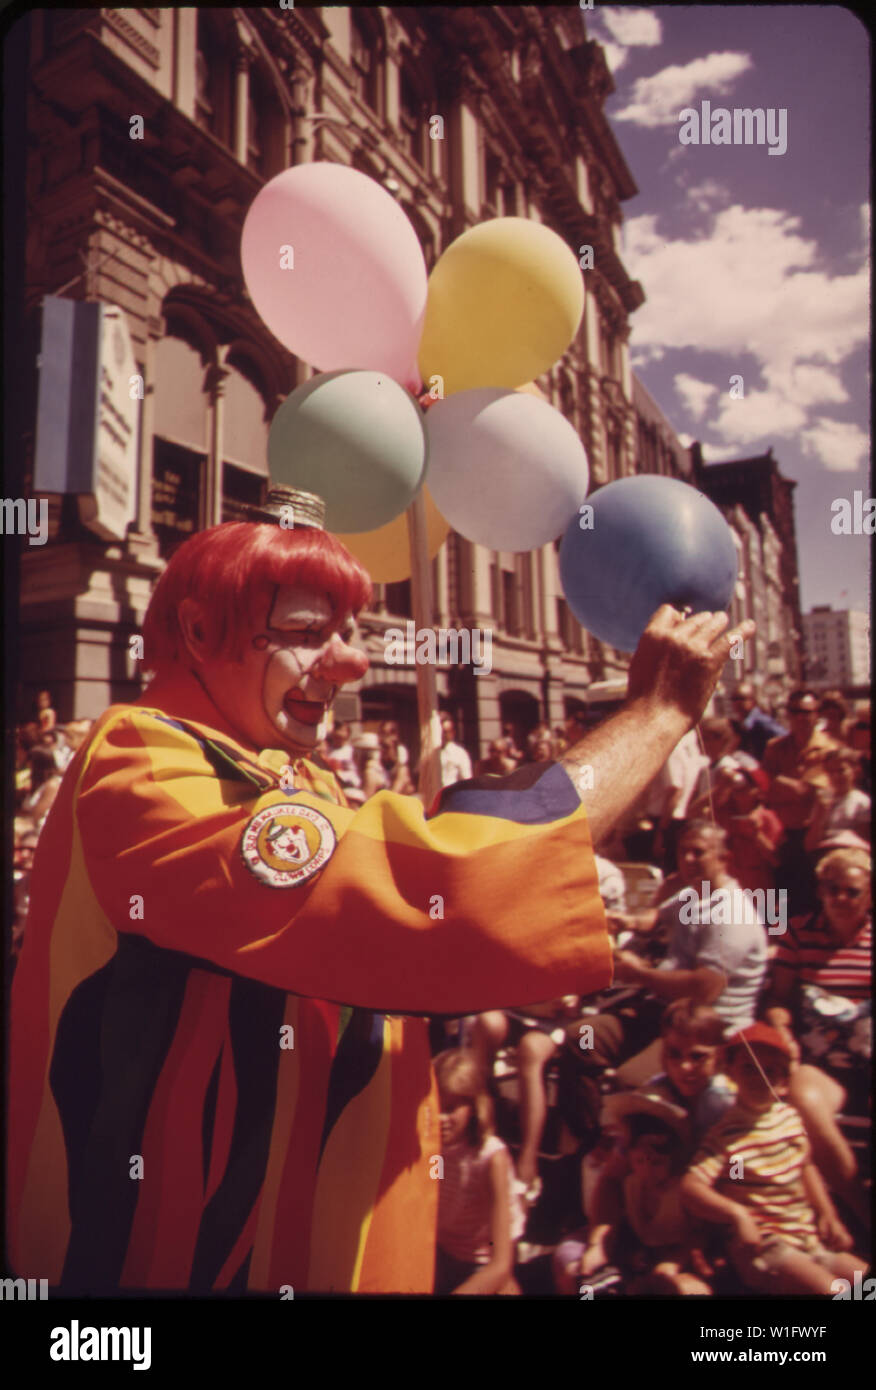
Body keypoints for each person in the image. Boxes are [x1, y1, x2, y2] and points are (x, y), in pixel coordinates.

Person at [8, 508, 753, 1294]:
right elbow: (439, 892)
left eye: (350, 632)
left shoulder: (300, 774)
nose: (351, 663)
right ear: (197, 631)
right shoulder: (143, 760)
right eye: (306, 632)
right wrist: (657, 716)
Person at [681, 1024, 863, 1295]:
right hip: (766, 1246)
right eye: (749, 1068)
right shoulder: (727, 1135)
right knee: (834, 1291)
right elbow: (691, 1187)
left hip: (807, 1239)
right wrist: (737, 1214)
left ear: (784, 1080)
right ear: (730, 1071)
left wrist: (828, 1213)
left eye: (770, 1071)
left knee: (865, 1283)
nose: (759, 1078)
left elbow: (804, 1165)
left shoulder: (789, 1118)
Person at [588, 822, 769, 1088]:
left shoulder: (731, 914)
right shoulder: (694, 894)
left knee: (630, 1080)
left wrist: (640, 974)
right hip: (666, 1012)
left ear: (724, 859)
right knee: (581, 1039)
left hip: (706, 1030)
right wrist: (626, 922)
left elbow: (703, 988)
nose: (687, 859)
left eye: (698, 853)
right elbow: (657, 917)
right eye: (683, 852)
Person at [761, 848, 871, 1227]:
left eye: (852, 891)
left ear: (869, 895)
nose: (840, 898)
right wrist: (781, 1029)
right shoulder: (798, 933)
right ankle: (862, 1209)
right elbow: (777, 1001)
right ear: (820, 891)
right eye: (832, 889)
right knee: (804, 1097)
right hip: (821, 1064)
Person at [433, 1050, 524, 1294]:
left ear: (472, 1107)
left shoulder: (489, 1158)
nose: (441, 1117)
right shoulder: (430, 1150)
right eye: (436, 1106)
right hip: (440, 1253)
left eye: (451, 1108)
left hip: (482, 1263)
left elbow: (501, 1264)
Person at [763, 688, 840, 916]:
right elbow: (766, 791)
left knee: (814, 900)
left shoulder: (829, 749)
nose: (800, 717)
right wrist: (791, 788)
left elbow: (811, 791)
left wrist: (779, 782)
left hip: (814, 835)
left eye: (806, 712)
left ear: (817, 715)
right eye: (794, 711)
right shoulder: (774, 747)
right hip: (782, 835)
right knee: (783, 900)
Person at [804, 747, 871, 853]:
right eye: (831, 772)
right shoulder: (822, 798)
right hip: (821, 854)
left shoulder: (862, 801)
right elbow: (809, 845)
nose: (836, 776)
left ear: (854, 770)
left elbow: (863, 842)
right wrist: (819, 816)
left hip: (849, 854)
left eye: (841, 771)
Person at [729, 681, 787, 762]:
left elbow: (784, 737)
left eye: (742, 698)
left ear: (753, 701)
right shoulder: (742, 722)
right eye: (734, 699)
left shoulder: (761, 721)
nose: (737, 703)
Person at [378, 720, 414, 795]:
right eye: (384, 733)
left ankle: (391, 795)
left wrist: (391, 748)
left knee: (404, 770)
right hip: (383, 780)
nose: (387, 737)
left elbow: (399, 767)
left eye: (391, 733)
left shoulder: (400, 750)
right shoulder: (378, 749)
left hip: (397, 782)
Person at [438, 714, 472, 787]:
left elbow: (466, 779)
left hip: (450, 793)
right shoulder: (431, 752)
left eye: (445, 732)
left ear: (453, 733)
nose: (442, 735)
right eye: (440, 732)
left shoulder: (460, 753)